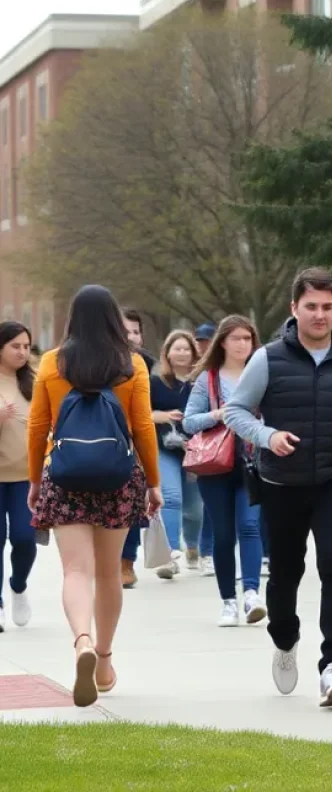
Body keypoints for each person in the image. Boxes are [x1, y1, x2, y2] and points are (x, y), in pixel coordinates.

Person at [223, 267, 332, 707]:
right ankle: (285, 639)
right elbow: (236, 410)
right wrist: (267, 435)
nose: (320, 315)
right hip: (283, 481)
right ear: (294, 308)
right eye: (311, 306)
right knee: (286, 572)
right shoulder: (268, 358)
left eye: (328, 307)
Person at [27, 285, 162, 707]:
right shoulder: (131, 364)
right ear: (112, 320)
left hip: (64, 475)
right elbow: (143, 426)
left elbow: (38, 427)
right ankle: (103, 661)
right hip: (118, 477)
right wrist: (153, 482)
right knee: (108, 574)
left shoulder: (52, 362)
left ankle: (81, 640)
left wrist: (35, 481)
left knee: (75, 571)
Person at [183, 315, 266, 628]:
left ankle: (252, 594)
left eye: (247, 338)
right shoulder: (208, 379)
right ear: (222, 343)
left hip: (252, 464)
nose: (242, 344)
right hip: (215, 465)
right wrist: (218, 414)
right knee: (224, 533)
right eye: (236, 338)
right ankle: (228, 601)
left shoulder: (263, 374)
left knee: (250, 526)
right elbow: (188, 422)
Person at [151, 330, 205, 580]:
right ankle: (171, 555)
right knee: (171, 498)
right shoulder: (156, 383)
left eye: (186, 349)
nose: (182, 353)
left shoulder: (202, 382)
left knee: (194, 509)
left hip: (196, 451)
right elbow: (141, 414)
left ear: (194, 354)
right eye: (177, 348)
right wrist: (163, 416)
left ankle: (192, 545)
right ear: (168, 353)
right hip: (165, 449)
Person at [0, 322, 36, 632]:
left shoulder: (34, 381)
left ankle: (19, 585)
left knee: (24, 538)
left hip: (26, 476)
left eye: (26, 346)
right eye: (15, 346)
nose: (22, 352)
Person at [119, 308, 154, 589]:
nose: (131, 337)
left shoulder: (147, 365)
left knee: (131, 503)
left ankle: (127, 561)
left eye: (135, 331)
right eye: (125, 331)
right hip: (102, 440)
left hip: (135, 444)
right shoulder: (94, 362)